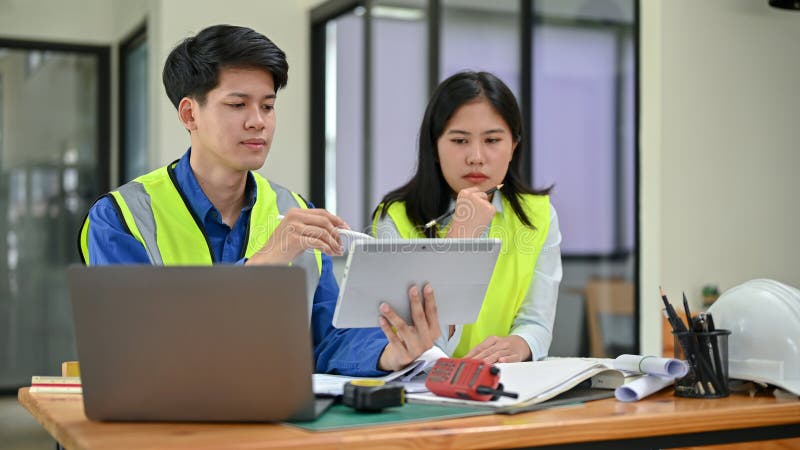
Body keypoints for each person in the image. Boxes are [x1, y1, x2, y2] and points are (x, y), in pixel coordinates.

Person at [78, 24, 440, 376]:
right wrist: (267, 261)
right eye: (238, 105)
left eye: (267, 106)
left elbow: (326, 340)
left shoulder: (296, 210)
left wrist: (388, 354)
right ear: (190, 114)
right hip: (168, 426)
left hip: (279, 424)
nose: (258, 122)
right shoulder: (120, 217)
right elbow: (135, 347)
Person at [373, 71, 562, 364]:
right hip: (426, 389)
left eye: (492, 140)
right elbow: (421, 346)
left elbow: (537, 323)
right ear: (434, 146)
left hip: (505, 385)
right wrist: (459, 239)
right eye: (460, 141)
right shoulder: (394, 219)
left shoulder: (539, 215)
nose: (476, 156)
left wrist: (520, 344)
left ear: (513, 146)